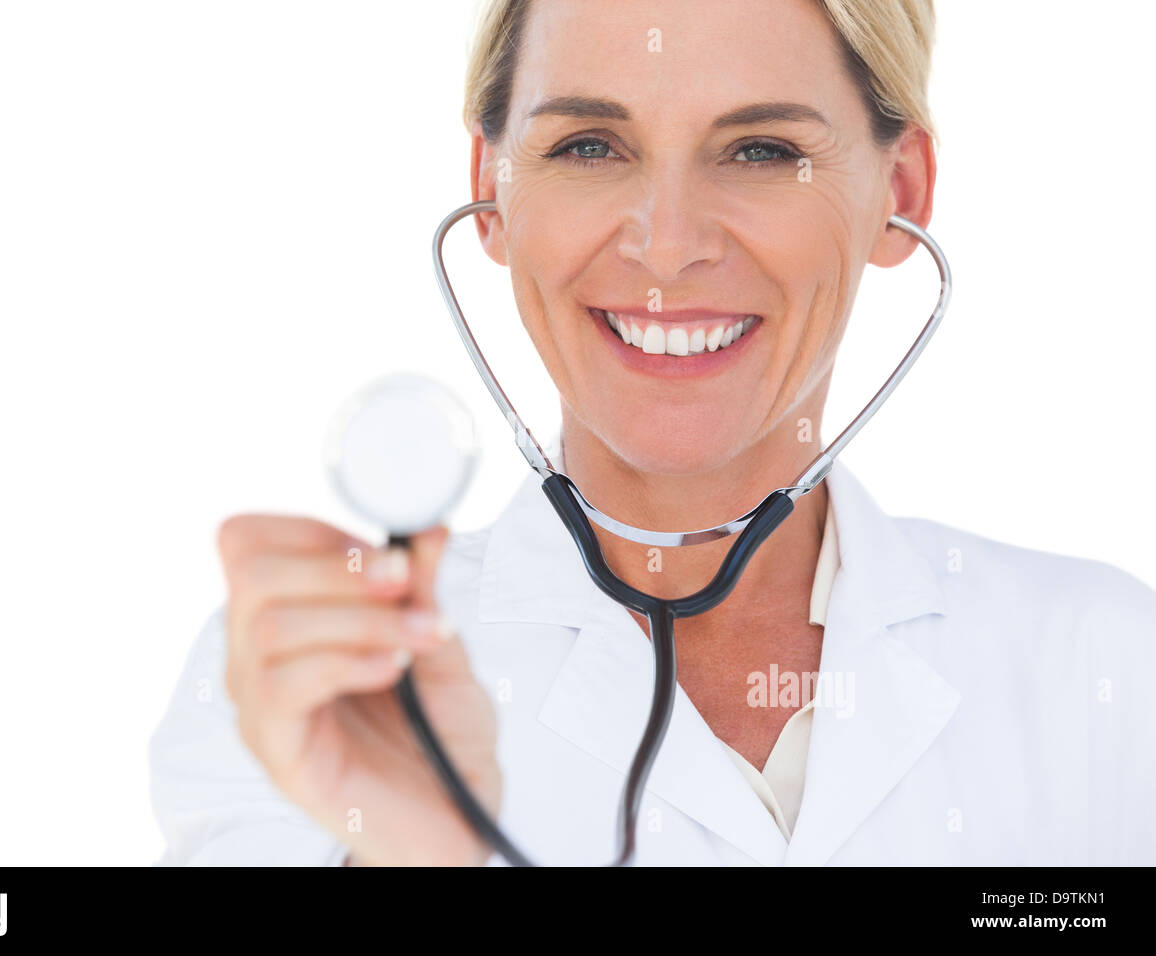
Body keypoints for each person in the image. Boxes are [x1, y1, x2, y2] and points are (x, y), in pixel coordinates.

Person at [147, 0, 1156, 866]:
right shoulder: (305, 686)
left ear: (900, 194)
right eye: (589, 145)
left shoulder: (1105, 666)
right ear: (490, 188)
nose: (668, 247)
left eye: (762, 150)